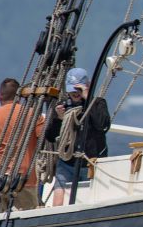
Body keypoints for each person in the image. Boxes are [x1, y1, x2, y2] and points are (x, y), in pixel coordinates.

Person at [42, 66, 111, 204]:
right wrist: (58, 119)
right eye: (72, 89)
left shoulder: (97, 103)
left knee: (86, 201)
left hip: (90, 162)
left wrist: (88, 98)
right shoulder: (63, 107)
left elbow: (103, 126)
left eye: (78, 89)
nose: (75, 93)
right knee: (59, 194)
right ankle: (57, 216)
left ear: (87, 87)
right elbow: (50, 137)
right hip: (68, 162)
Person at [0, 77, 44, 207]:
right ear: (20, 96)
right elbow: (45, 139)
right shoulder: (34, 115)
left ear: (0, 96)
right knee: (24, 222)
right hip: (24, 180)